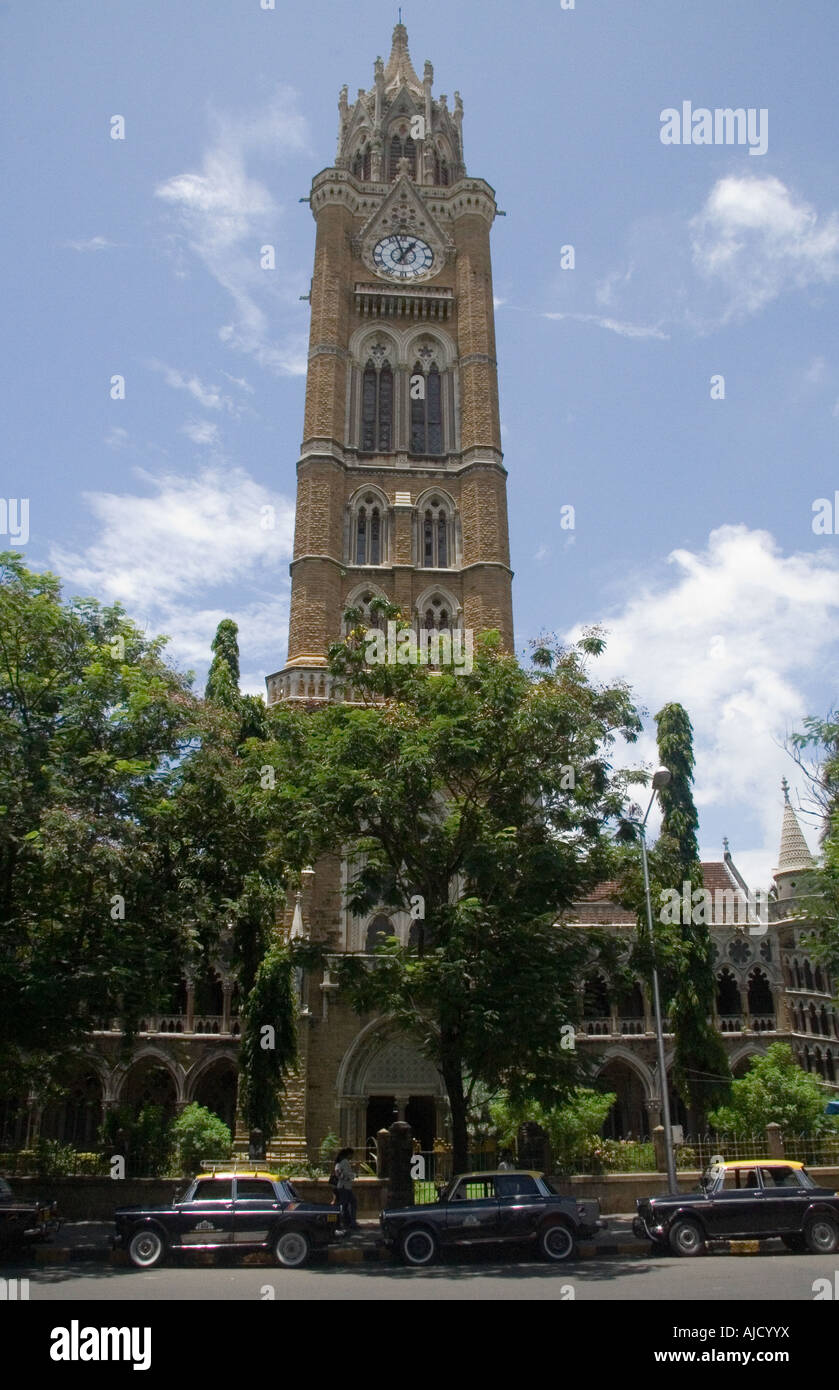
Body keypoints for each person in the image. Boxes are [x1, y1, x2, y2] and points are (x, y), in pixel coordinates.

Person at [333, 1146, 358, 1230]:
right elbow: (341, 1173)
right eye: (352, 1155)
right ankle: (347, 1223)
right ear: (349, 1154)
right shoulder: (345, 1162)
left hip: (343, 1187)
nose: (352, 1157)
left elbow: (338, 1171)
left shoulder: (340, 1161)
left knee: (345, 1204)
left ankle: (347, 1222)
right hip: (345, 1187)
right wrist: (352, 1176)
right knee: (347, 1204)